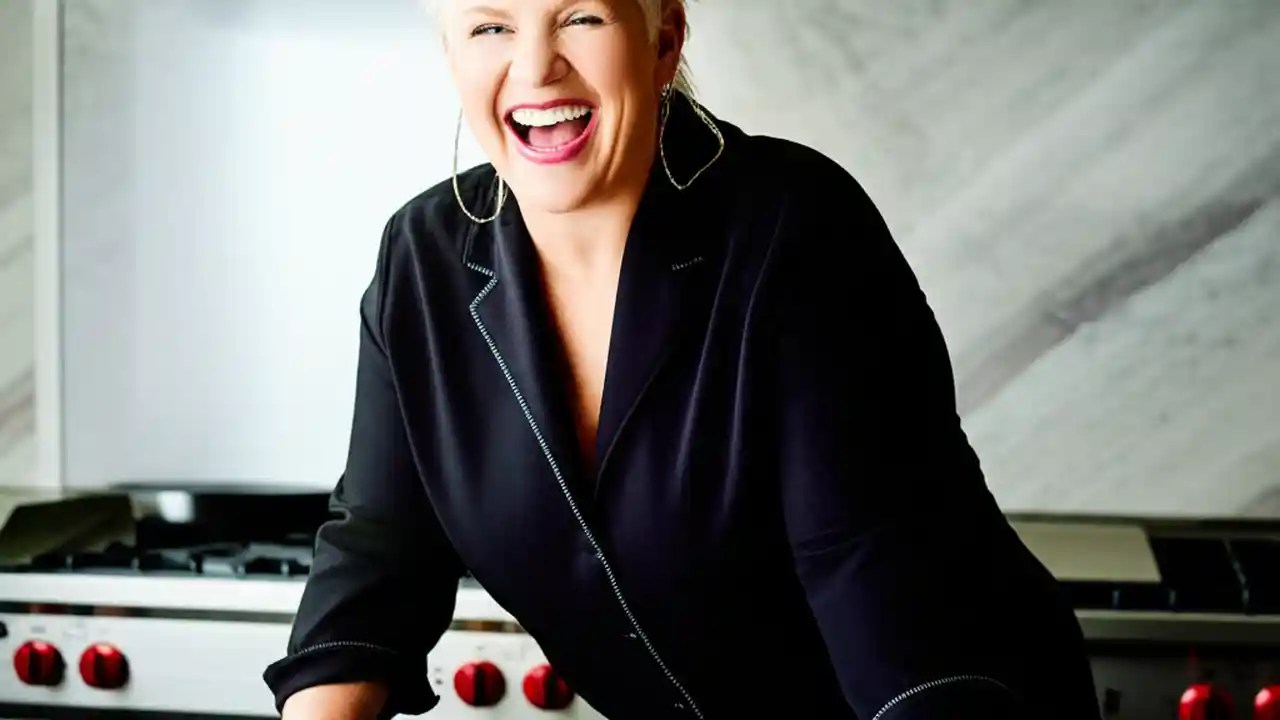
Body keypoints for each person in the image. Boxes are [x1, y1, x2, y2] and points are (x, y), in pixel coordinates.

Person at [263, 0, 1102, 718]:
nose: (534, 68)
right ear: (448, 52)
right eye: (490, 26)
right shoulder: (425, 260)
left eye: (580, 17)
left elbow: (887, 603)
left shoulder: (794, 231)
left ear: (664, 37)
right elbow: (376, 555)